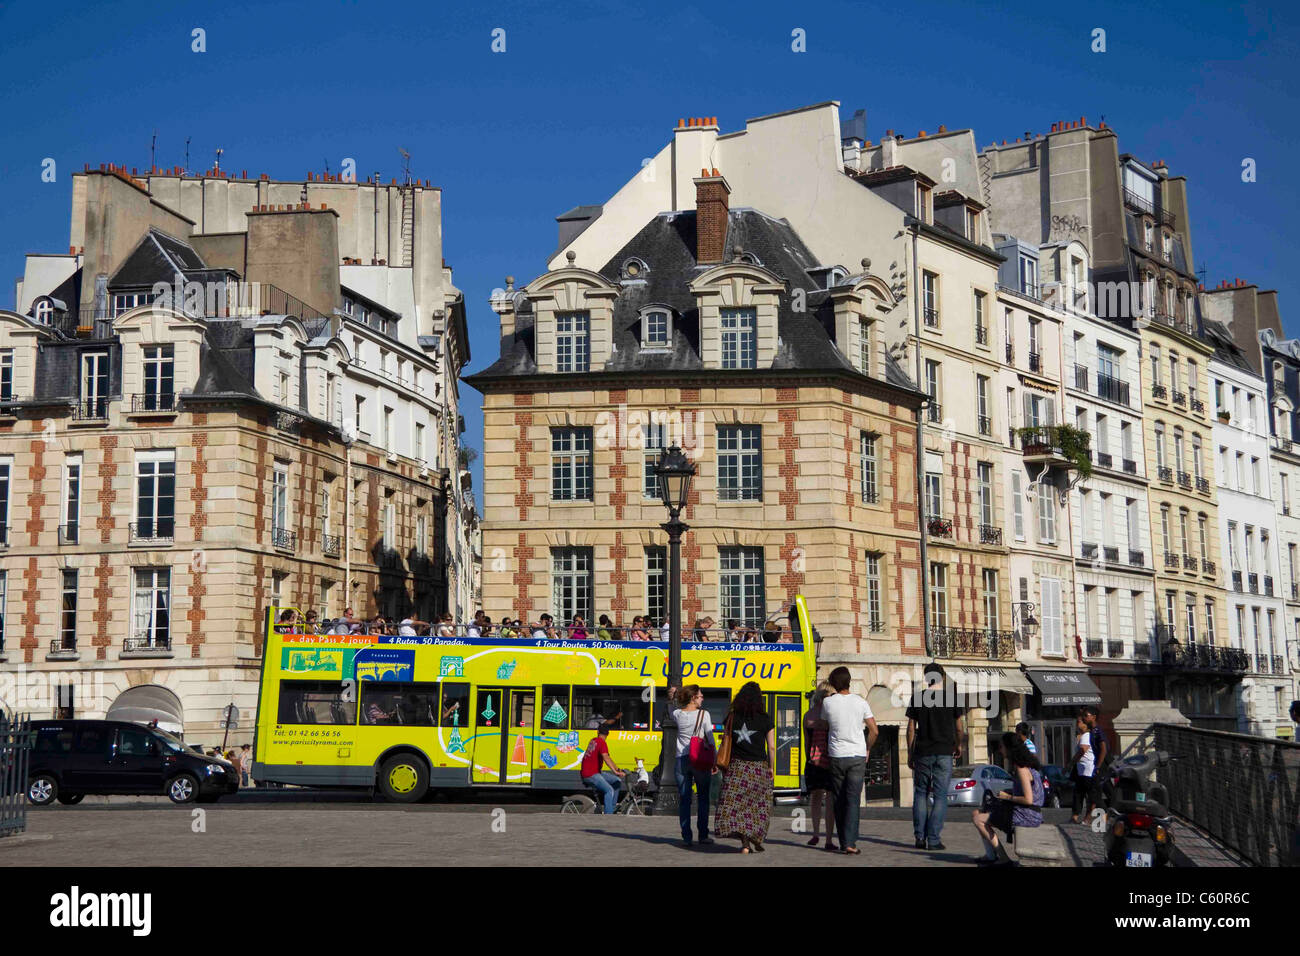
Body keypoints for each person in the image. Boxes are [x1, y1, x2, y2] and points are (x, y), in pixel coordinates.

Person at [905, 662, 964, 851]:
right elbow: (959, 727)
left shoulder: (918, 698)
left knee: (920, 793)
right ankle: (934, 839)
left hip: (923, 751)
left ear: (926, 678)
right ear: (942, 678)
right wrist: (958, 743)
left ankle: (920, 838)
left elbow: (911, 727)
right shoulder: (951, 698)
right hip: (944, 752)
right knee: (940, 796)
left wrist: (910, 751)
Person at [714, 680, 776, 853]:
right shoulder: (765, 719)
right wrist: (771, 767)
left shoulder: (732, 717)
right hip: (758, 769)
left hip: (737, 769)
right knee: (757, 807)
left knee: (737, 807)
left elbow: (725, 741)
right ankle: (754, 837)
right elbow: (771, 747)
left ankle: (745, 843)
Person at [822, 665, 878, 855]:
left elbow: (824, 724)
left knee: (839, 800)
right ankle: (851, 843)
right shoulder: (860, 702)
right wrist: (867, 747)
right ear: (849, 682)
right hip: (857, 755)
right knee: (853, 800)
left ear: (833, 683)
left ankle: (843, 839)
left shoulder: (828, 703)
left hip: (837, 755)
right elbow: (874, 730)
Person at [971, 733, 1044, 866]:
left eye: (1001, 747)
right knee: (977, 813)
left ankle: (1003, 857)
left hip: (1026, 815)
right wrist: (1009, 794)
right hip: (1026, 811)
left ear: (1009, 748)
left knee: (978, 820)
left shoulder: (1021, 768)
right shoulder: (1026, 764)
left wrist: (1007, 797)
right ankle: (991, 855)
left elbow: (1028, 799)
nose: (1000, 750)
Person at [663, 684, 715, 846]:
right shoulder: (704, 714)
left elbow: (672, 708)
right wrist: (714, 760)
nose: (702, 698)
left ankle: (686, 837)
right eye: (700, 696)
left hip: (681, 760)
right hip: (699, 758)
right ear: (693, 698)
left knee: (685, 799)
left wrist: (673, 696)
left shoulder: (678, 714)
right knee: (703, 798)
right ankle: (703, 835)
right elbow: (710, 738)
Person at [802, 682, 836, 851]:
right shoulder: (830, 715)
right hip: (829, 760)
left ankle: (815, 834)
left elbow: (806, 742)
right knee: (829, 799)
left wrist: (809, 758)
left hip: (812, 761)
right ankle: (829, 839)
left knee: (815, 799)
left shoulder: (808, 715)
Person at [579, 725, 626, 814]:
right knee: (609, 790)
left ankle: (612, 808)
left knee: (617, 781)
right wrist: (615, 771)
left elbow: (608, 757)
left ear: (597, 732)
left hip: (593, 772)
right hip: (591, 774)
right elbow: (606, 758)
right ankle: (609, 816)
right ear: (607, 734)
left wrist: (617, 769)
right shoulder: (602, 743)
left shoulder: (594, 740)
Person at [1067, 715, 1094, 824]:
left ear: (1084, 724)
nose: (1077, 724)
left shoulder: (1086, 736)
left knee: (1089, 795)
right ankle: (1075, 816)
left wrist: (1071, 763)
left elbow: (1082, 750)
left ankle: (1087, 817)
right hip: (1082, 770)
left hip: (1087, 770)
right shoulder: (1082, 736)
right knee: (1078, 793)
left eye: (1079, 722)